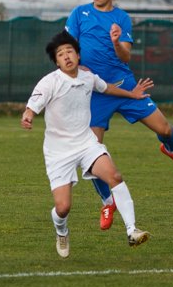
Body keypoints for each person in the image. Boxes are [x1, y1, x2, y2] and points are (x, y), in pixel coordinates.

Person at [65, 0, 173, 231]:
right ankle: (107, 201)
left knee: (165, 129)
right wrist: (77, 65)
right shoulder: (79, 14)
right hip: (95, 93)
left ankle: (169, 148)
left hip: (125, 87)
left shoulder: (121, 18)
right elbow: (67, 47)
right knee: (92, 154)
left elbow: (125, 57)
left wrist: (115, 42)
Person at [22, 31, 153, 257]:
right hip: (58, 152)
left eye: (70, 51)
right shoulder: (50, 82)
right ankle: (61, 231)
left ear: (78, 55)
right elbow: (33, 105)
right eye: (60, 54)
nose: (66, 56)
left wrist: (132, 95)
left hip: (86, 144)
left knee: (115, 176)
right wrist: (28, 116)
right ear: (56, 61)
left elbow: (107, 88)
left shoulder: (87, 77)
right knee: (63, 208)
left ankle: (132, 230)